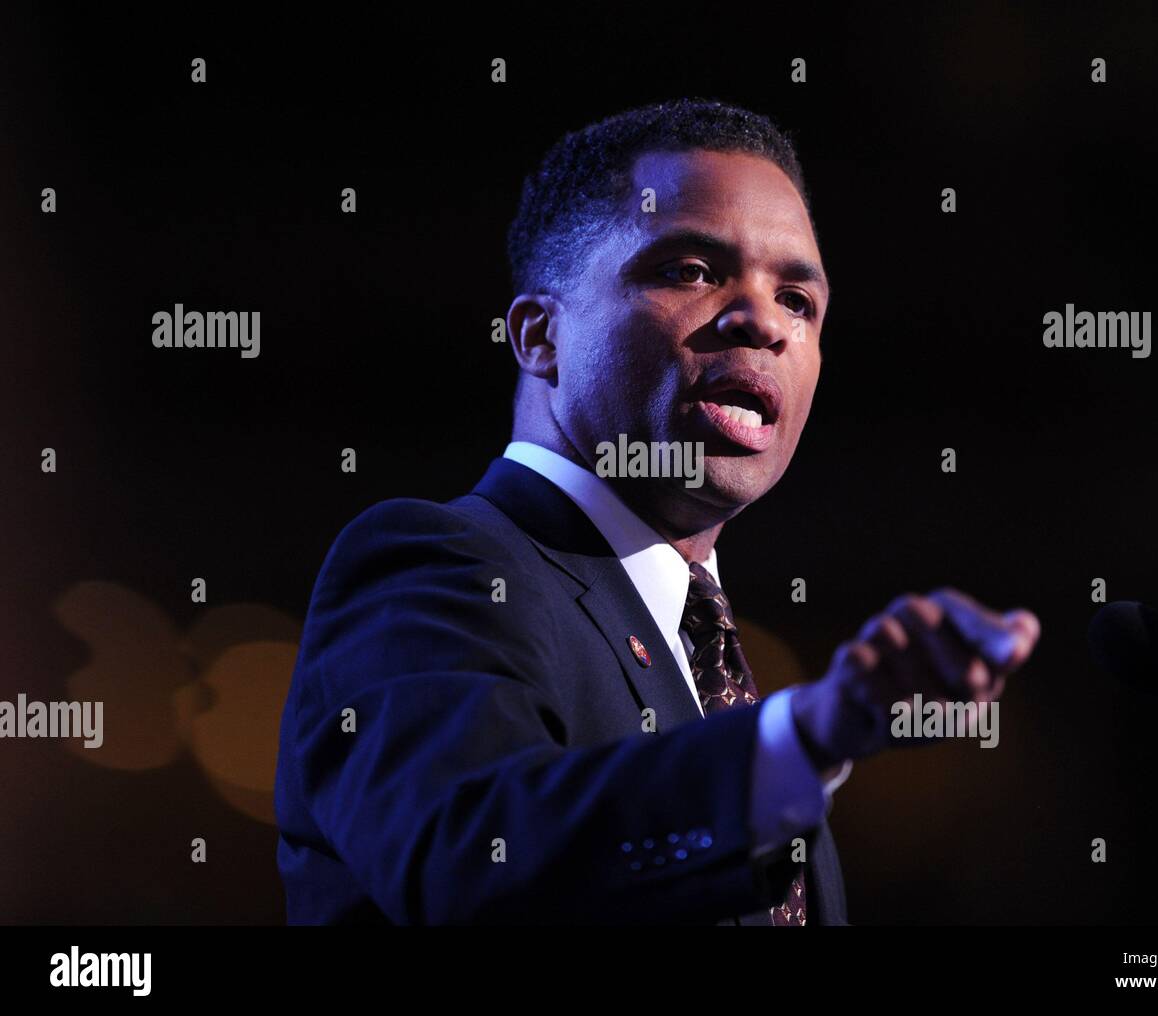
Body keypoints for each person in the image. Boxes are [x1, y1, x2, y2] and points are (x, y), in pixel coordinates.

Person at [273, 97, 1041, 925]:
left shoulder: (717, 673)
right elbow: (470, 857)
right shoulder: (434, 565)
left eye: (797, 300)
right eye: (692, 271)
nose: (762, 321)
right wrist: (808, 735)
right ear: (539, 336)